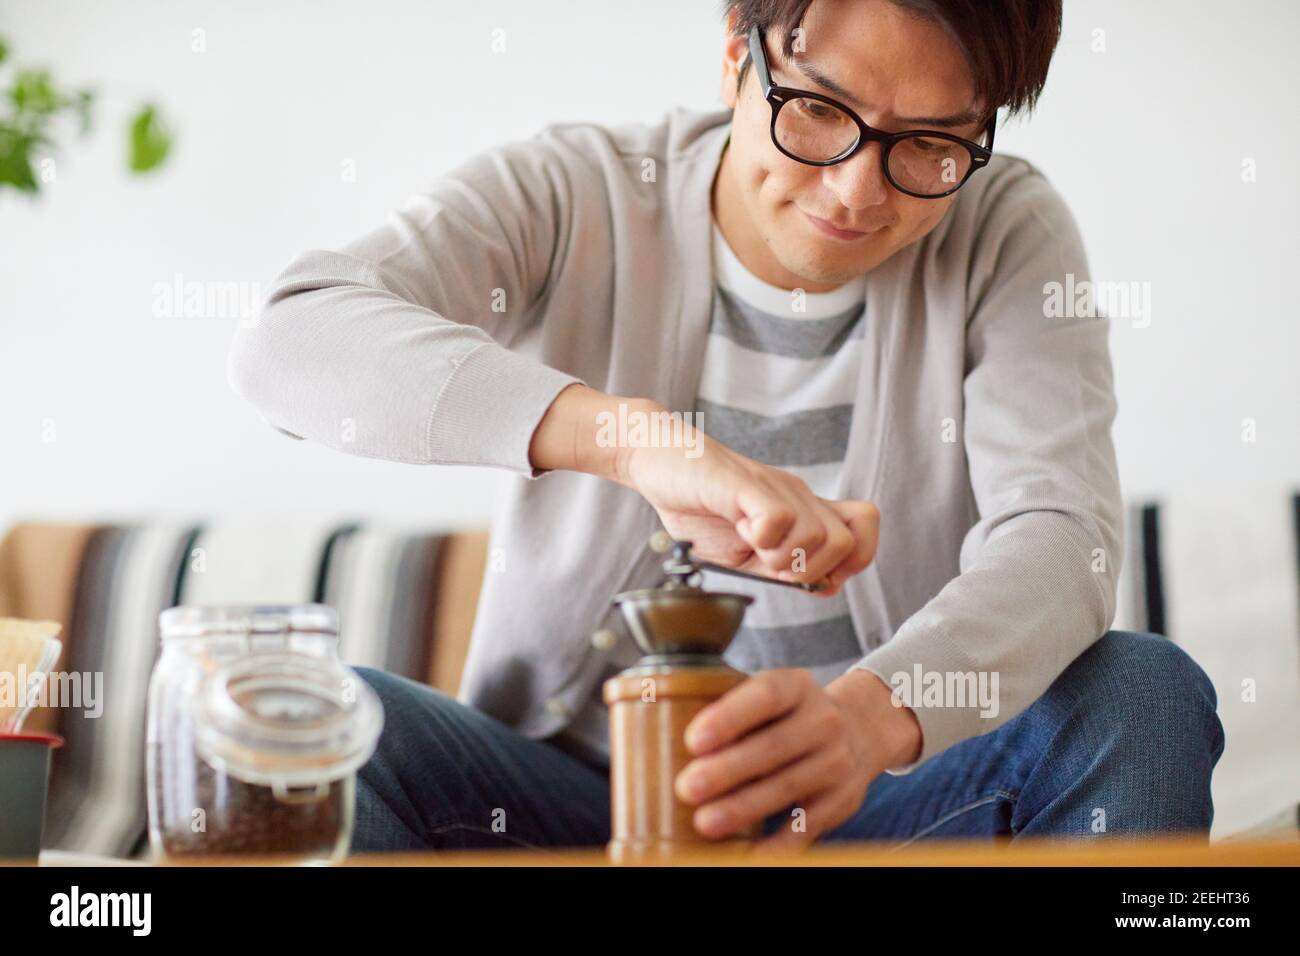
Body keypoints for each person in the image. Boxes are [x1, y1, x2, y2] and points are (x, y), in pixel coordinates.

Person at [226, 0, 1224, 852]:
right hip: (571, 817)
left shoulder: (1004, 229)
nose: (855, 189)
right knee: (337, 720)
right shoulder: (579, 193)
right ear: (736, 56)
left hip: (884, 815)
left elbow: (1064, 535)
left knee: (1141, 692)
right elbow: (290, 340)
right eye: (821, 110)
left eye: (929, 143)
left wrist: (870, 720)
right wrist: (640, 443)